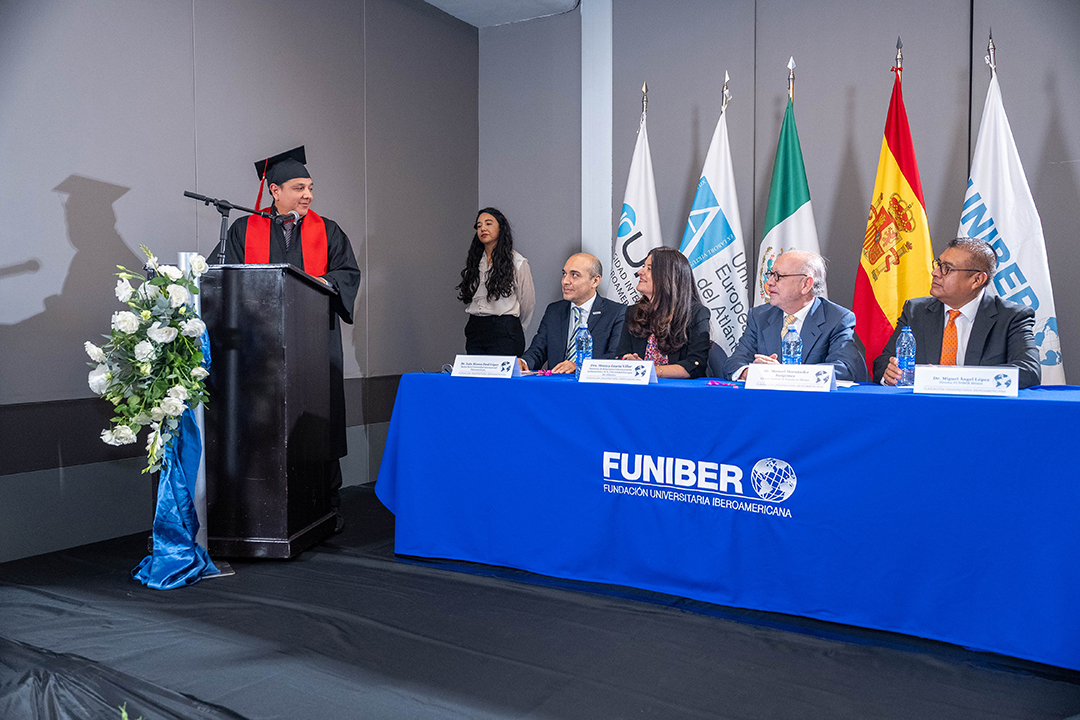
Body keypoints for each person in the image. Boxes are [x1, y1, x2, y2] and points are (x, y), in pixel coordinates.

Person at [214, 146, 361, 532]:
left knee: (320, 421)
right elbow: (220, 275)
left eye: (311, 187)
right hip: (258, 347)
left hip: (314, 344)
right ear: (275, 191)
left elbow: (347, 273)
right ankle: (257, 507)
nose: (308, 195)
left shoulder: (327, 230)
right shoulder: (244, 230)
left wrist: (324, 283)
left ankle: (325, 506)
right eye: (299, 187)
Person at [873, 236, 1041, 388]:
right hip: (923, 411)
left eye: (947, 268)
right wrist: (890, 374)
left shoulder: (1012, 317)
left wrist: (951, 377)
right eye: (938, 264)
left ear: (977, 280)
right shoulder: (916, 311)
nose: (935, 273)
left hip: (980, 413)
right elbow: (882, 363)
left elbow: (1028, 371)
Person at [724, 250, 867, 382]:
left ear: (806, 284)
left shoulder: (837, 319)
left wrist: (784, 374)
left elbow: (845, 369)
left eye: (778, 276)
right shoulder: (759, 316)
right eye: (770, 274)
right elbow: (734, 363)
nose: (769, 282)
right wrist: (751, 372)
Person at [519, 253, 626, 373]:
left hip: (593, 387)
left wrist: (579, 366)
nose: (565, 281)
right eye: (564, 274)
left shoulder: (616, 312)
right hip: (557, 386)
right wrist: (523, 362)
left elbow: (615, 358)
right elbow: (537, 350)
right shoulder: (554, 311)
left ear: (595, 281)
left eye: (574, 275)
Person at [614, 246, 710, 379]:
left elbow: (695, 365)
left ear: (668, 277)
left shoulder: (696, 314)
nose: (640, 272)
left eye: (649, 268)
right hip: (638, 389)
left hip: (678, 392)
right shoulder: (634, 312)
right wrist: (628, 360)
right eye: (643, 266)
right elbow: (621, 354)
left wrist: (650, 370)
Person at [457, 208, 535, 356]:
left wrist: (515, 327)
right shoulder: (475, 261)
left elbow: (527, 303)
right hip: (476, 327)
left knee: (501, 378)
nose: (483, 228)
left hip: (504, 328)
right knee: (477, 377)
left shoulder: (517, 262)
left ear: (501, 227)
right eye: (479, 226)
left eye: (488, 223)